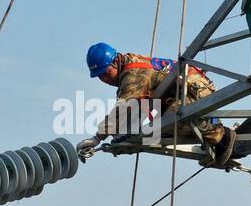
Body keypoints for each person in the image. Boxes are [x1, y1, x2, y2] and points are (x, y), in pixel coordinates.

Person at [76, 41, 237, 166]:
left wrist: (98, 137)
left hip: (195, 93)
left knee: (171, 123)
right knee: (154, 133)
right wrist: (125, 136)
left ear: (115, 62)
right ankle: (208, 132)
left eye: (105, 73)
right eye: (100, 77)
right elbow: (134, 109)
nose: (105, 79)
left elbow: (123, 108)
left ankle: (219, 134)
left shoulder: (133, 73)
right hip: (182, 96)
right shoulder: (128, 73)